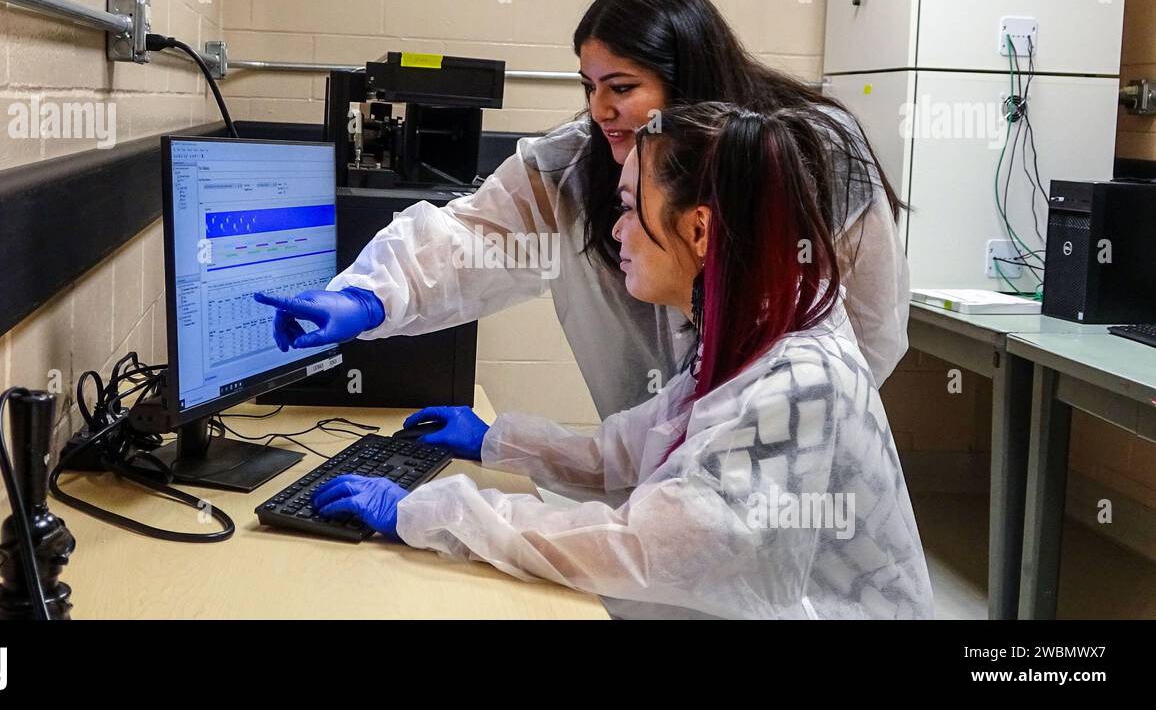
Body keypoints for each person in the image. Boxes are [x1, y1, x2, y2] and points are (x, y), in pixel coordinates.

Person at [308, 103, 934, 620]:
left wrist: (431, 513)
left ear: (700, 233)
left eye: (631, 207)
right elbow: (633, 450)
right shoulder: (754, 329)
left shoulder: (797, 380)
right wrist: (499, 441)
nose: (616, 231)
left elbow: (642, 547)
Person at [255, 0, 912, 424]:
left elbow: (874, 327)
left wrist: (778, 434)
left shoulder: (810, 154)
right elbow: (472, 238)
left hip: (795, 466)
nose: (600, 111)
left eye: (620, 87)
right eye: (588, 85)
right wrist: (369, 295)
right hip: (659, 466)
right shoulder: (584, 161)